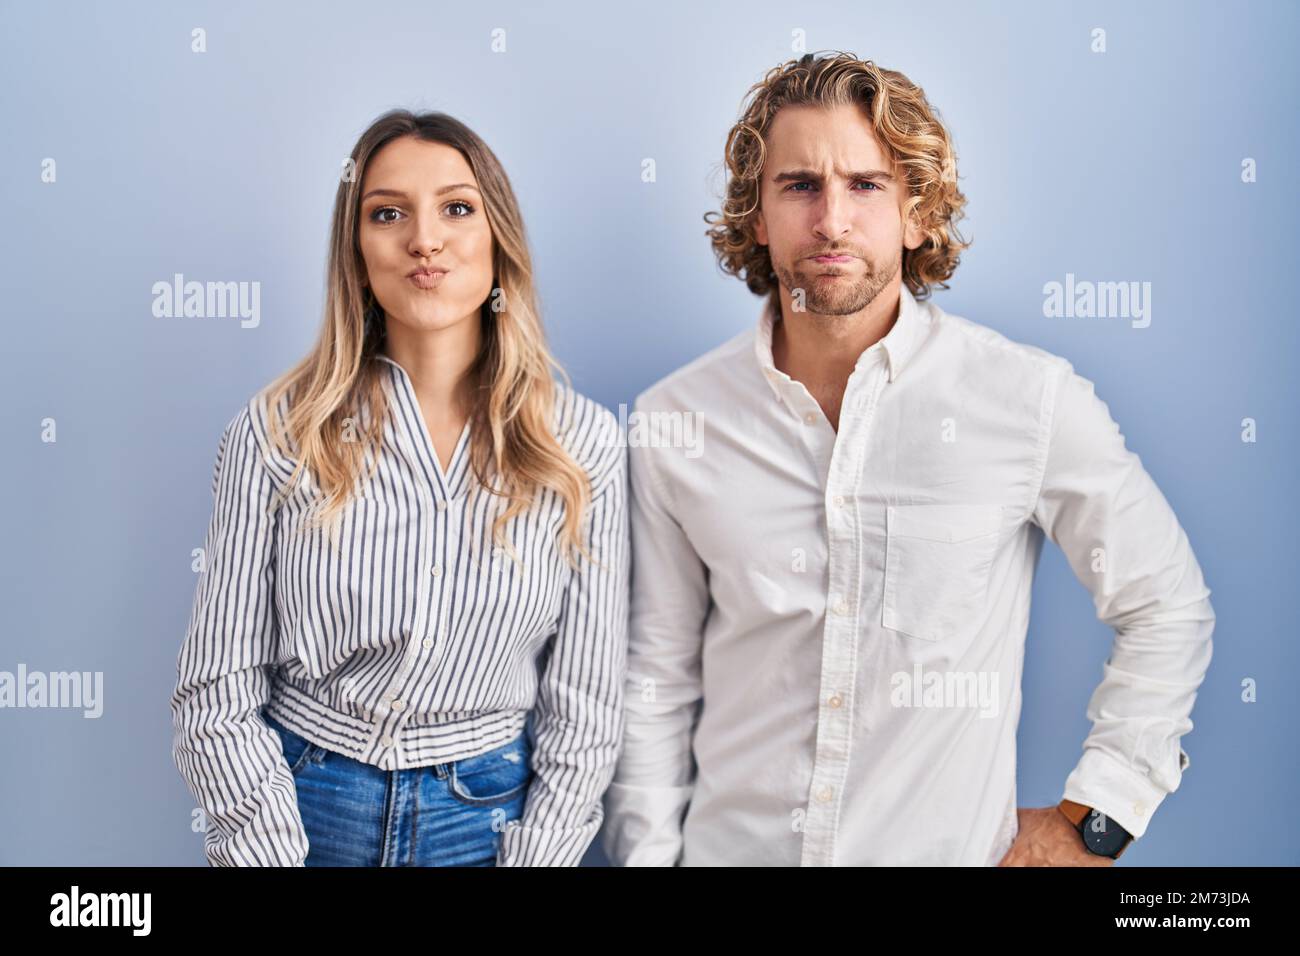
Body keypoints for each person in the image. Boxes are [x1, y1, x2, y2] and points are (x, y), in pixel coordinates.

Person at [601, 52, 1214, 866]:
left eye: (866, 185)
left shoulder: (1025, 400)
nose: (831, 220)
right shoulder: (676, 420)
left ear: (916, 214)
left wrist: (1094, 821)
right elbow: (655, 681)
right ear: (756, 216)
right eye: (798, 186)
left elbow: (1166, 605)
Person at [170, 109, 629, 867]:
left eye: (457, 207)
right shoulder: (278, 434)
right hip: (303, 801)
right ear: (355, 250)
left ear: (497, 239)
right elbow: (214, 690)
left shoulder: (579, 446)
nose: (425, 239)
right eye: (388, 213)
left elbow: (584, 706)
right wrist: (266, 851)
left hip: (486, 818)